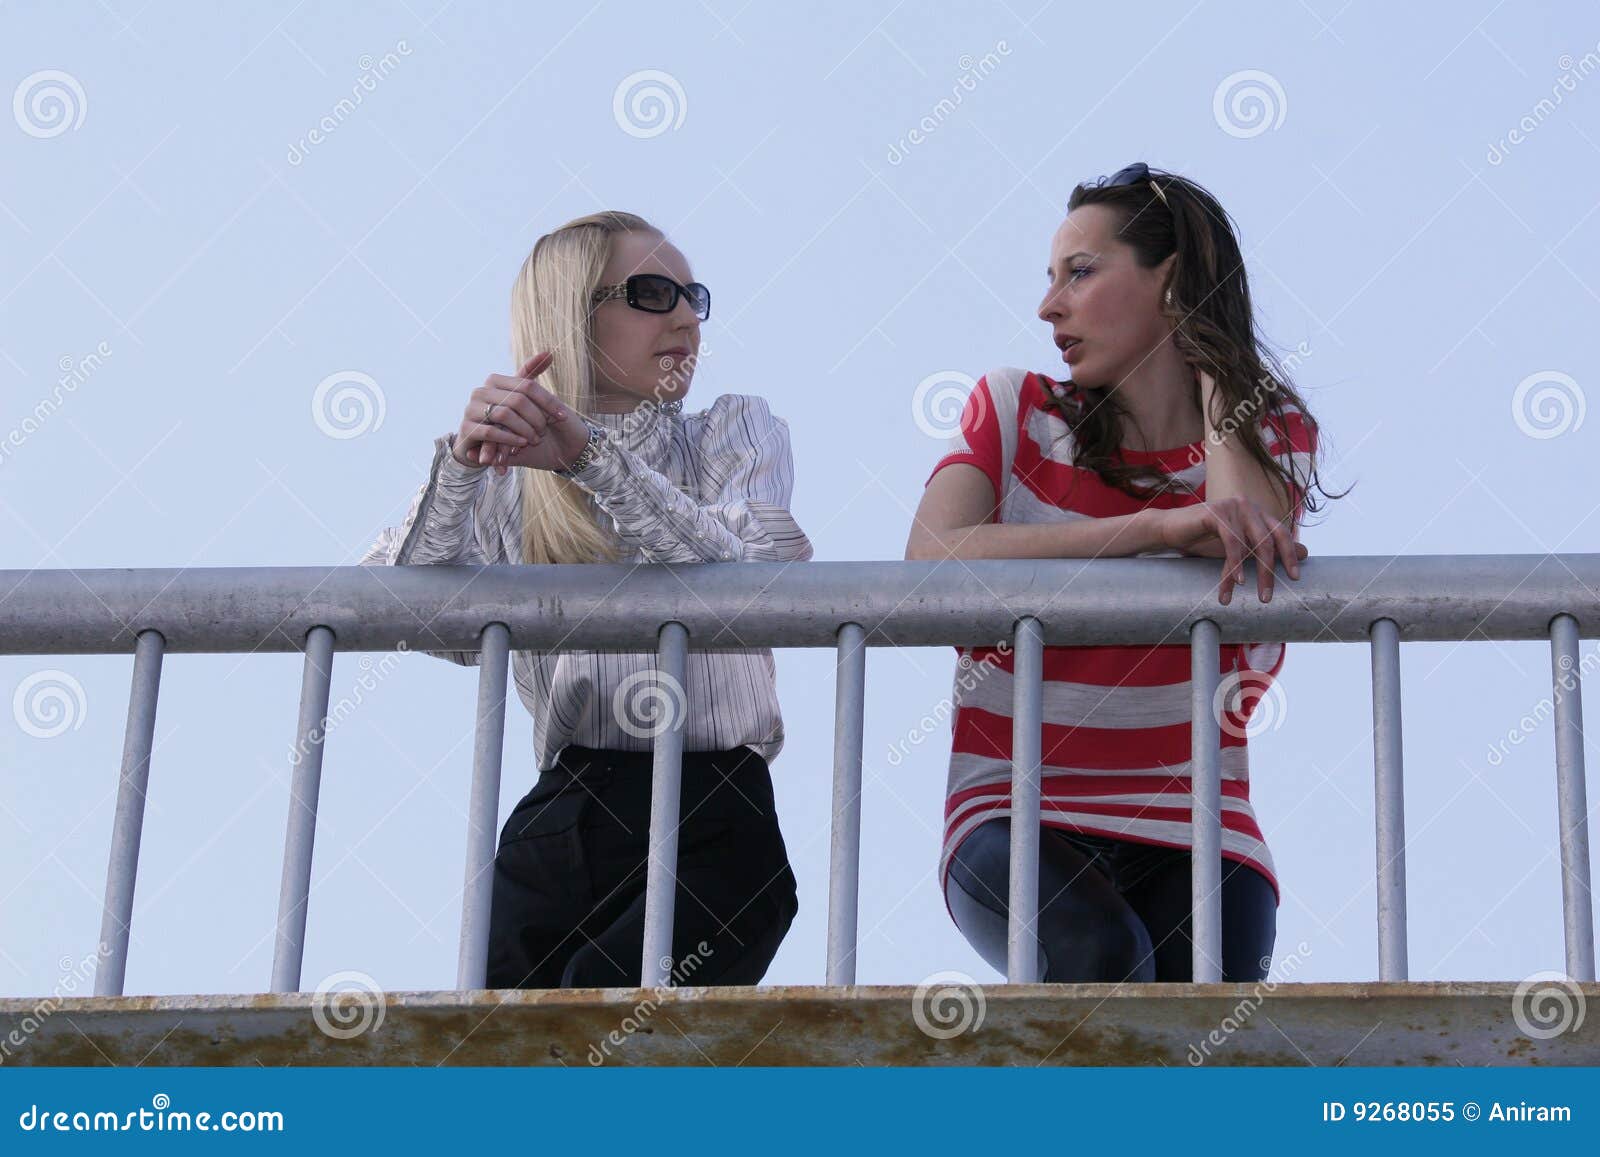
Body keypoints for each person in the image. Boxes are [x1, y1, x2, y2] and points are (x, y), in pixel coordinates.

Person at [906, 163, 1338, 983]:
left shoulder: (1271, 428)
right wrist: (1147, 530)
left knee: (1201, 1044)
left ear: (1169, 280)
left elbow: (1250, 540)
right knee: (1101, 960)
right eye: (1051, 278)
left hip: (1202, 826)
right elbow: (933, 557)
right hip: (1016, 807)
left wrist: (1210, 363)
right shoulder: (1014, 407)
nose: (1048, 306)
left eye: (1081, 272)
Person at [362, 210, 810, 988]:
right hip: (564, 811)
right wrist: (462, 466)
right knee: (496, 1073)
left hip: (717, 801)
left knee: (605, 1049)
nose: (683, 317)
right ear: (573, 313)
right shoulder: (512, 480)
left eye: (691, 295)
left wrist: (586, 456)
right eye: (651, 291)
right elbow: (397, 608)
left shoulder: (731, 428)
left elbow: (750, 567)